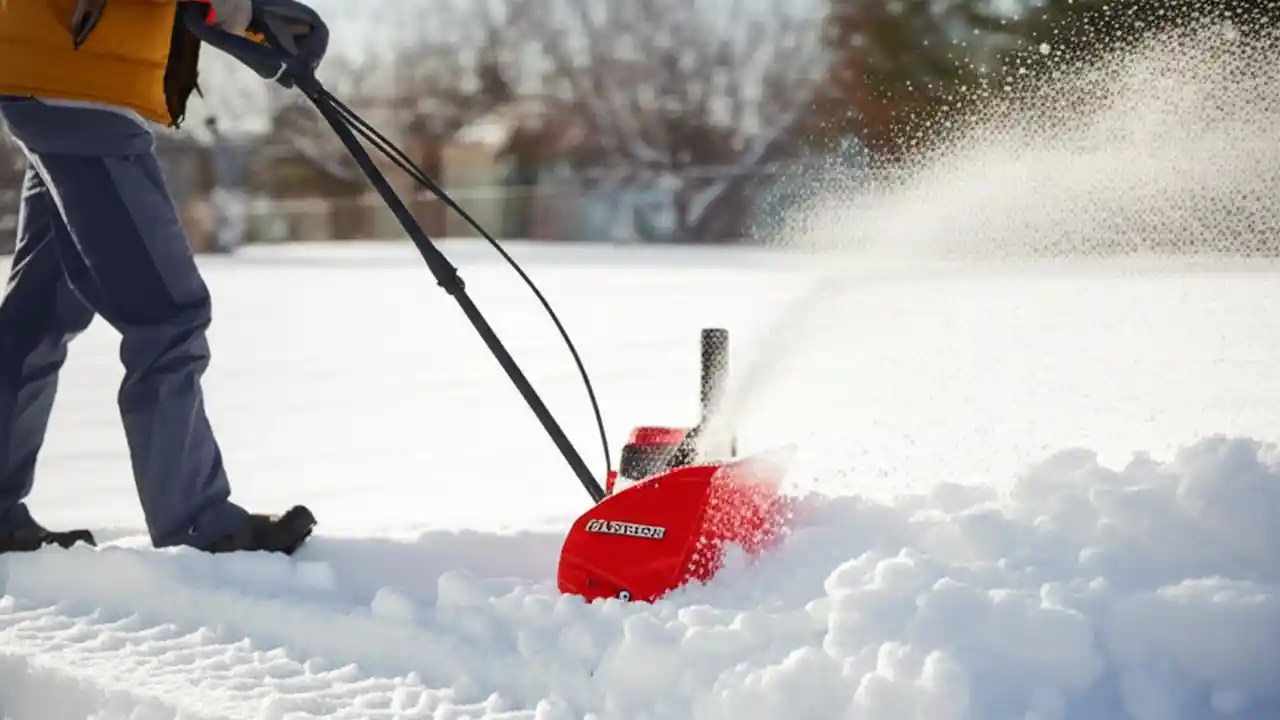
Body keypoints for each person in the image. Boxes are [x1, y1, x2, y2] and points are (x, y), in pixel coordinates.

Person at [0, 0, 316, 554]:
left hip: (56, 78)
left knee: (37, 316)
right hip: (78, 87)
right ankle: (198, 522)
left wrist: (258, 23)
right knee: (168, 316)